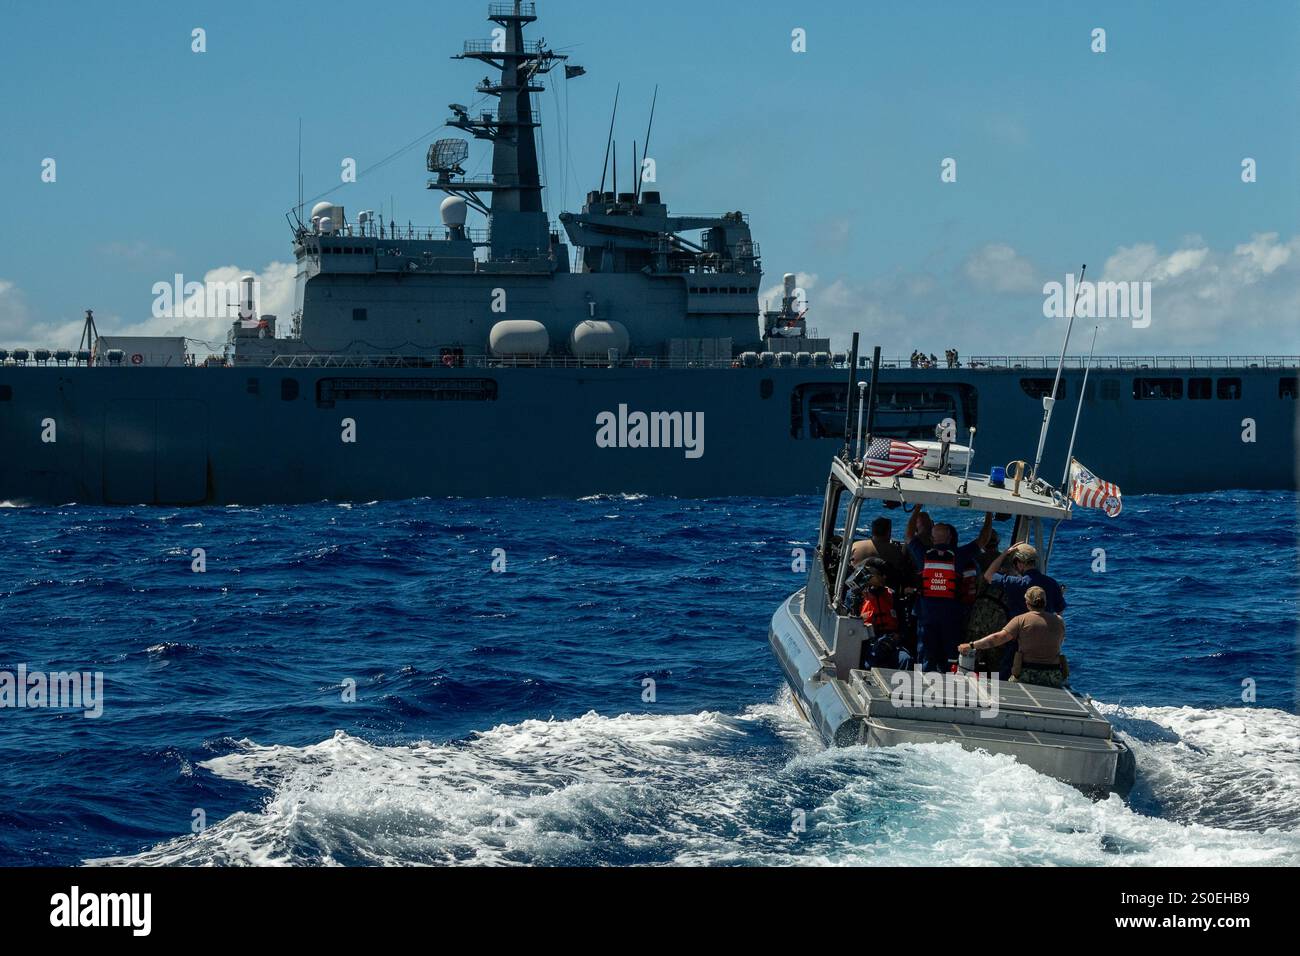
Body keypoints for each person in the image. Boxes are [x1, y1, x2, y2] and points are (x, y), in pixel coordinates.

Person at [982, 544, 1066, 679]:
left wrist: (1004, 554)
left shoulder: (1016, 583)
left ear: (1019, 563)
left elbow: (988, 575)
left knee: (1008, 671)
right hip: (1046, 643)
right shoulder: (1052, 583)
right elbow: (1060, 611)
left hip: (1019, 640)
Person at [959, 586, 1066, 687]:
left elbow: (996, 639)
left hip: (1027, 674)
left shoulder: (1020, 620)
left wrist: (972, 645)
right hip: (1054, 676)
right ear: (1045, 602)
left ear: (1027, 603)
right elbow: (1059, 642)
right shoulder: (1059, 621)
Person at [912, 521, 972, 672]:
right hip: (952, 618)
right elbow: (981, 541)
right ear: (950, 538)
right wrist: (989, 514)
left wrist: (918, 505)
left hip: (927, 618)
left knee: (926, 658)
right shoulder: (961, 557)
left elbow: (908, 536)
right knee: (950, 660)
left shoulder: (922, 555)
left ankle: (923, 687)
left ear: (932, 539)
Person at [857, 558, 913, 670]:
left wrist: (898, 637)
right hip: (870, 641)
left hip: (891, 641)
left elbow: (903, 622)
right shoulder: (858, 596)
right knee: (870, 662)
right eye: (868, 574)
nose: (884, 577)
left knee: (905, 659)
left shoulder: (892, 595)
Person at [851, 516, 913, 592]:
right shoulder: (894, 550)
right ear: (888, 532)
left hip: (856, 590)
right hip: (883, 595)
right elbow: (901, 571)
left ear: (873, 531)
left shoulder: (855, 545)